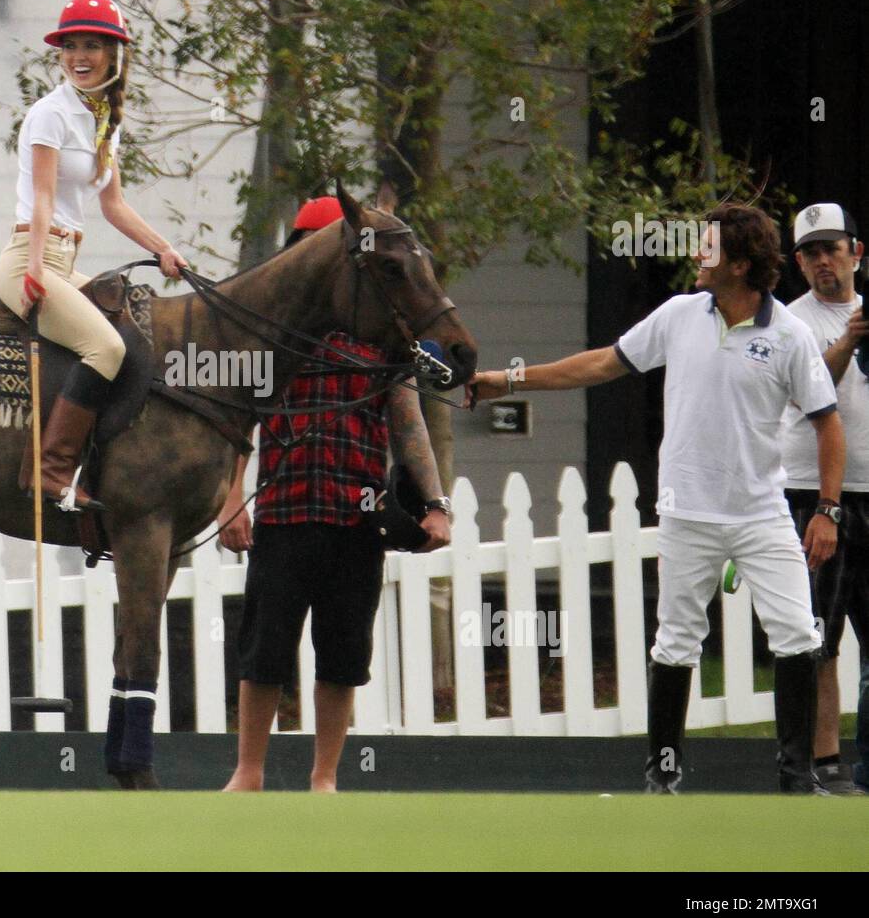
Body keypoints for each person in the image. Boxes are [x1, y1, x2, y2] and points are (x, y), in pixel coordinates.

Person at [472, 204, 843, 794]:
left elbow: (828, 425)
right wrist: (504, 381)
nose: (697, 254)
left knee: (798, 634)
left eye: (709, 247)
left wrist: (827, 510)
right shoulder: (678, 315)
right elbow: (599, 364)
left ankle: (796, 778)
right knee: (675, 642)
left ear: (741, 264)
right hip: (686, 515)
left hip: (762, 515)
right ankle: (662, 777)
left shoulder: (790, 336)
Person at [219, 196, 452, 793]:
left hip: (359, 517)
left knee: (343, 656)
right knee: (263, 652)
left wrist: (435, 505)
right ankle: (249, 774)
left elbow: (407, 422)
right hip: (285, 510)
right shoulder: (272, 331)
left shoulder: (383, 336)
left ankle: (325, 777)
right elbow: (239, 421)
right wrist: (229, 503)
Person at [0, 0, 188, 512]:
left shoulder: (104, 118)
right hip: (28, 259)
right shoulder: (49, 115)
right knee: (105, 348)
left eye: (92, 46)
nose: (80, 56)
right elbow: (41, 200)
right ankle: (50, 471)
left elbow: (114, 205)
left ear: (113, 55)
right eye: (71, 46)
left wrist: (164, 248)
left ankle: (102, 463)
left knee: (132, 334)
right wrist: (35, 266)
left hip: (64, 259)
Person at [779, 203, 869, 794]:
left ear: (857, 252)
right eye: (810, 253)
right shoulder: (792, 322)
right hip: (816, 492)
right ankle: (824, 763)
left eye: (832, 249)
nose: (822, 263)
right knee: (820, 635)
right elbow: (807, 392)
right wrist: (847, 341)